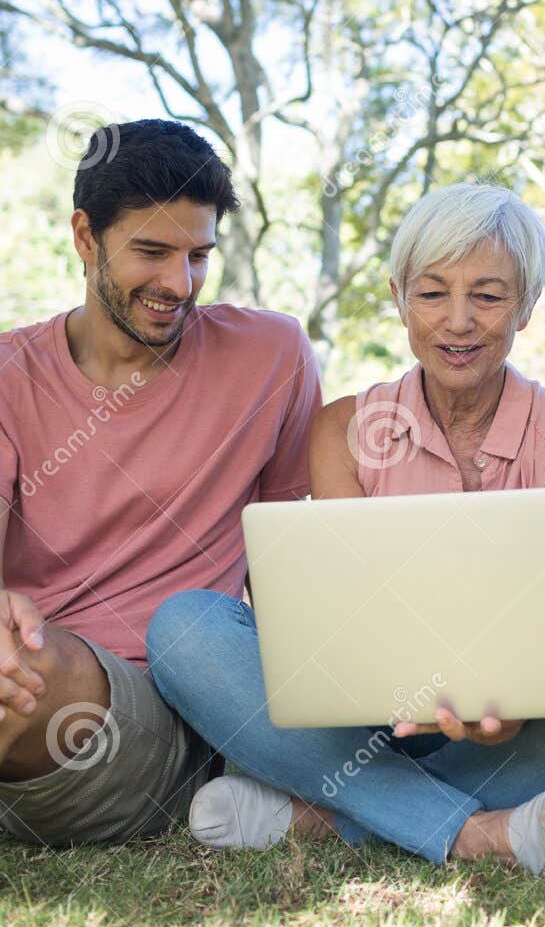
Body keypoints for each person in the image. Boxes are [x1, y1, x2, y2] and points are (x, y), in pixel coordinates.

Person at [147, 182, 545, 876]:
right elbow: (343, 618)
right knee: (184, 627)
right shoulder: (344, 428)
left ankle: (331, 816)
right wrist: (380, 687)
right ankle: (475, 831)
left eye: (488, 296)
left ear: (527, 304)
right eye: (432, 293)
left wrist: (513, 707)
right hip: (362, 717)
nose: (458, 321)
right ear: (399, 298)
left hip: (503, 725)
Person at [0, 119, 321, 847]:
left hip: (164, 711)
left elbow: (288, 568)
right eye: (151, 252)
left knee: (29, 675)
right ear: (86, 237)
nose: (179, 285)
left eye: (198, 256)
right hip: (32, 681)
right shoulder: (10, 376)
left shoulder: (270, 356)